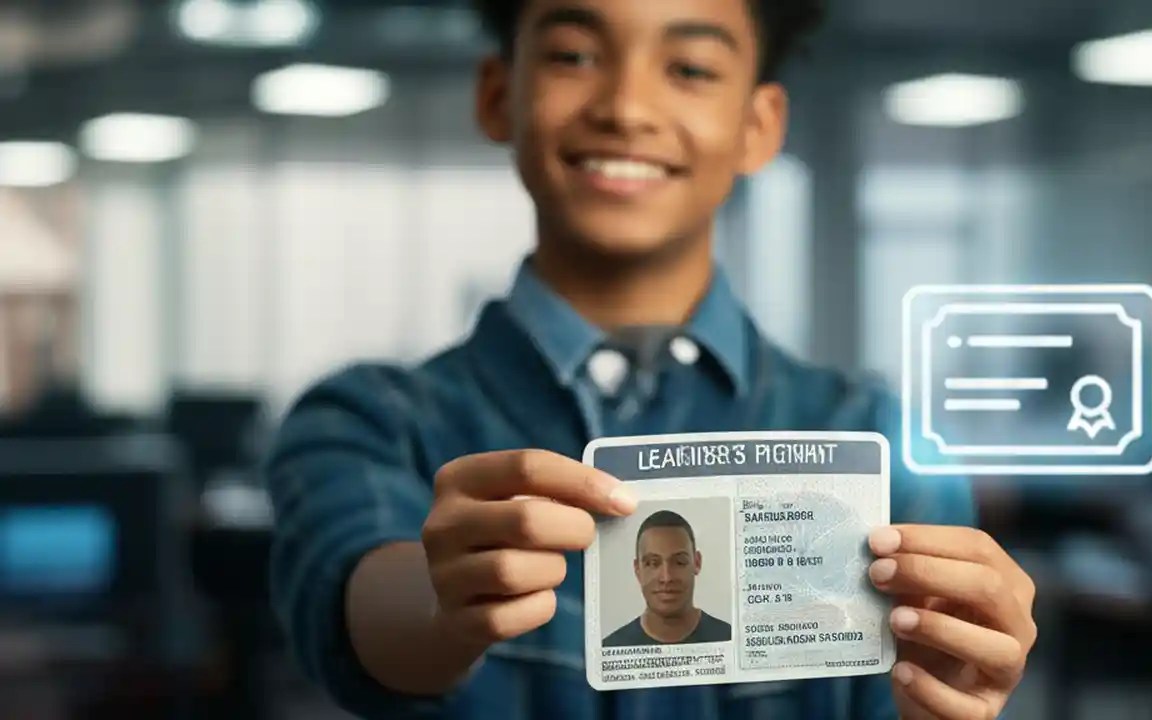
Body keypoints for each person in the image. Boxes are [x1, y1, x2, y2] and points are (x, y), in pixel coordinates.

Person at [265, 0, 1038, 718]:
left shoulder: (882, 444)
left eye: (692, 69)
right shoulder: (369, 420)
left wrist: (953, 695)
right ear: (499, 94)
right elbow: (360, 608)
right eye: (573, 56)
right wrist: (445, 608)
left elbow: (914, 688)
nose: (626, 109)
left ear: (758, 126)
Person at [603, 510, 731, 647]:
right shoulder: (610, 648)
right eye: (653, 563)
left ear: (697, 562)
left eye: (679, 562)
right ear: (637, 569)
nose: (666, 577)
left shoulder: (730, 639)